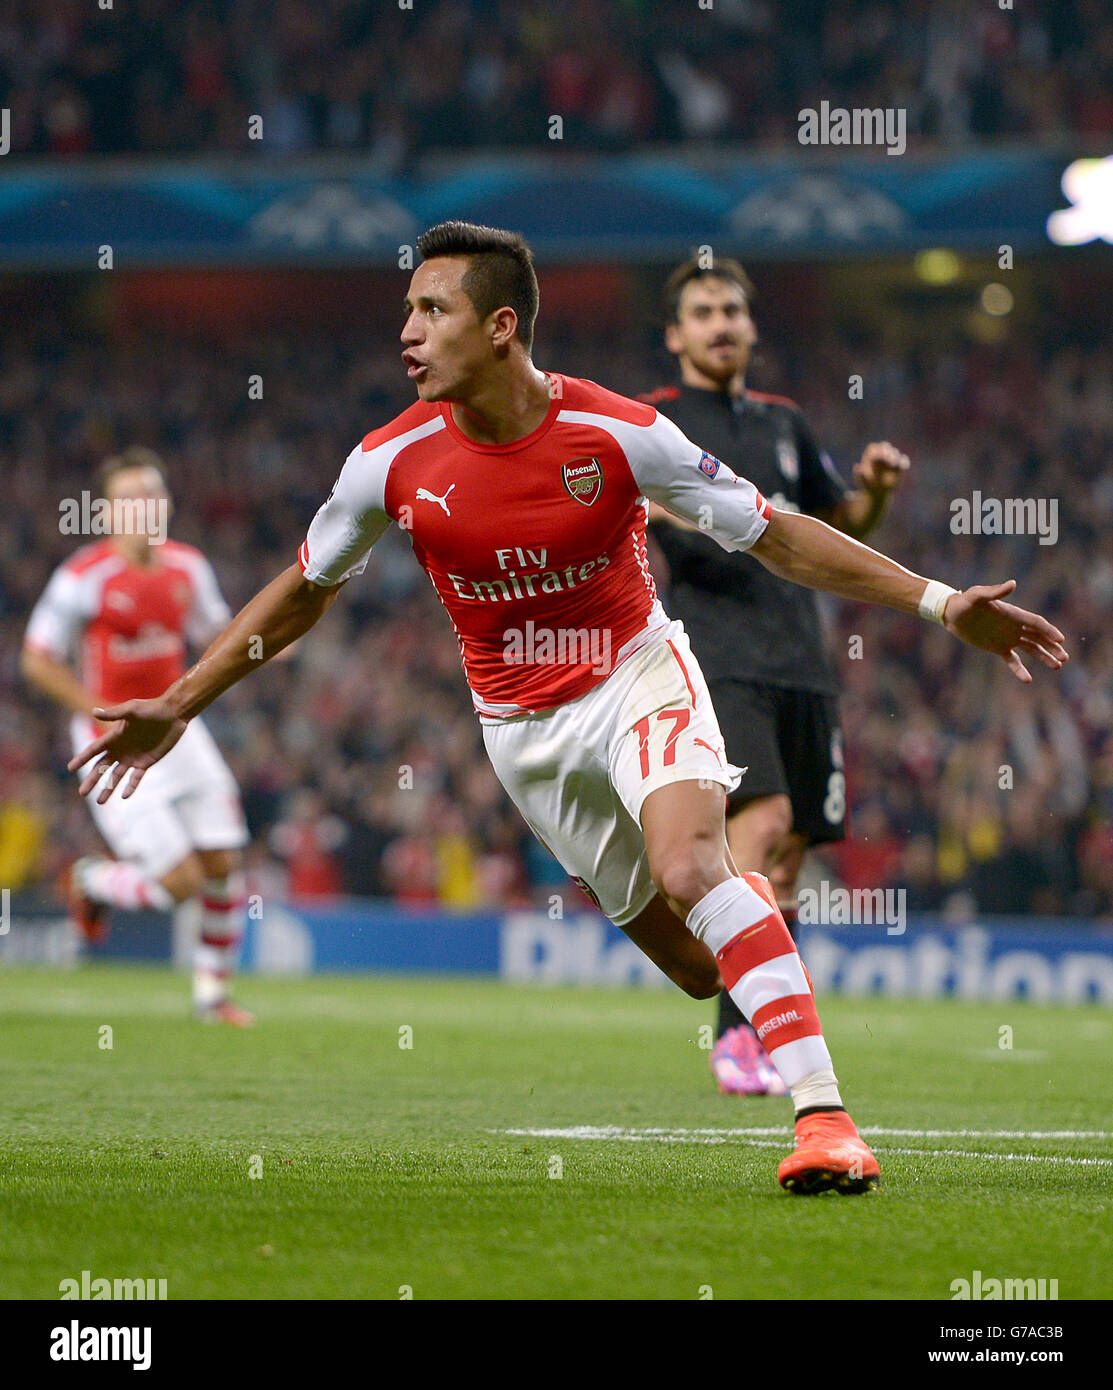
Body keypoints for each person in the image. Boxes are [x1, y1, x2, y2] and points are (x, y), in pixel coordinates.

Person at [67, 223, 1068, 1194]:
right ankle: (754, 951)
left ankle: (825, 1119)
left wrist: (941, 603)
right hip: (524, 736)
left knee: (694, 865)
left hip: (638, 672)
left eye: (431, 309)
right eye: (405, 311)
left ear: (500, 326)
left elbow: (776, 534)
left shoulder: (618, 431)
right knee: (690, 965)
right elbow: (303, 588)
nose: (406, 332)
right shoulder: (388, 461)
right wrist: (183, 702)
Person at [642, 255, 909, 1096]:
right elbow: (624, 506)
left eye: (731, 309)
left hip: (802, 663)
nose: (720, 323)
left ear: (751, 327)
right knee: (758, 830)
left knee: (787, 857)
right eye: (703, 311)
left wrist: (872, 495)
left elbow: (839, 526)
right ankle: (734, 1040)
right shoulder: (654, 424)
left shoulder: (786, 425)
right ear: (675, 333)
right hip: (718, 660)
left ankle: (757, 1031)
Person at [22, 448, 254, 1025]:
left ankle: (212, 996)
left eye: (152, 495)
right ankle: (90, 879)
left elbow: (219, 637)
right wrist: (97, 714)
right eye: (129, 500)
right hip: (116, 743)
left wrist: (273, 637)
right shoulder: (83, 577)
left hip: (178, 730)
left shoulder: (189, 568)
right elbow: (36, 659)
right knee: (179, 883)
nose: (144, 508)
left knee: (224, 861)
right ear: (105, 514)